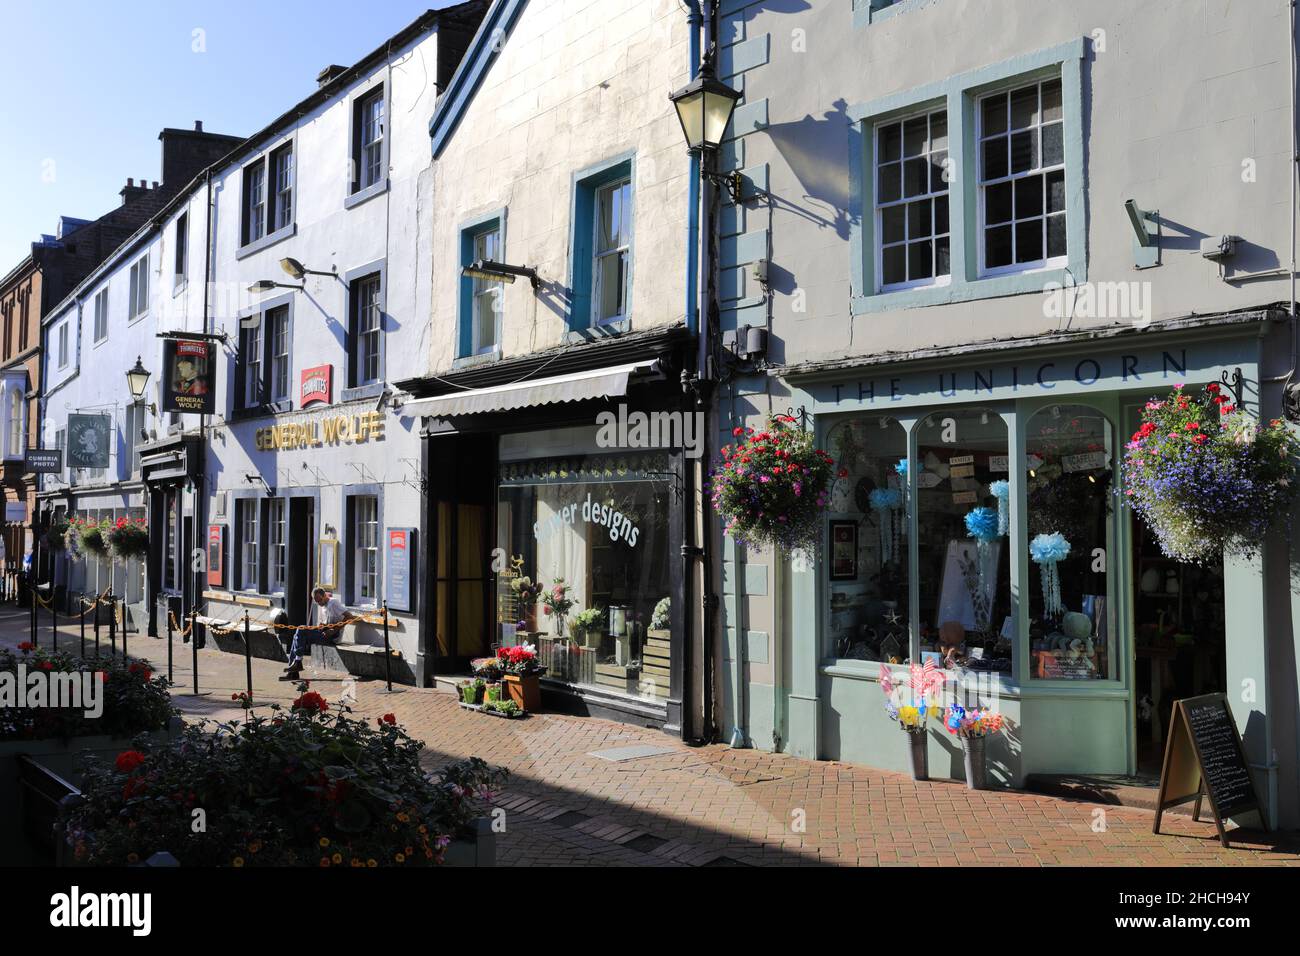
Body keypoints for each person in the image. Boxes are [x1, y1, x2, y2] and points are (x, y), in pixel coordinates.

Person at [281, 587, 354, 681]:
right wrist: (323, 626)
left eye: (319, 600)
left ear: (325, 595)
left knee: (300, 630)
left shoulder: (333, 603)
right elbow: (328, 622)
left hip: (333, 636)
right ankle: (294, 670)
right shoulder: (323, 606)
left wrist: (333, 630)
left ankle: (297, 663)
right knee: (296, 637)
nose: (319, 603)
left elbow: (349, 616)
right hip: (325, 632)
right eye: (316, 602)